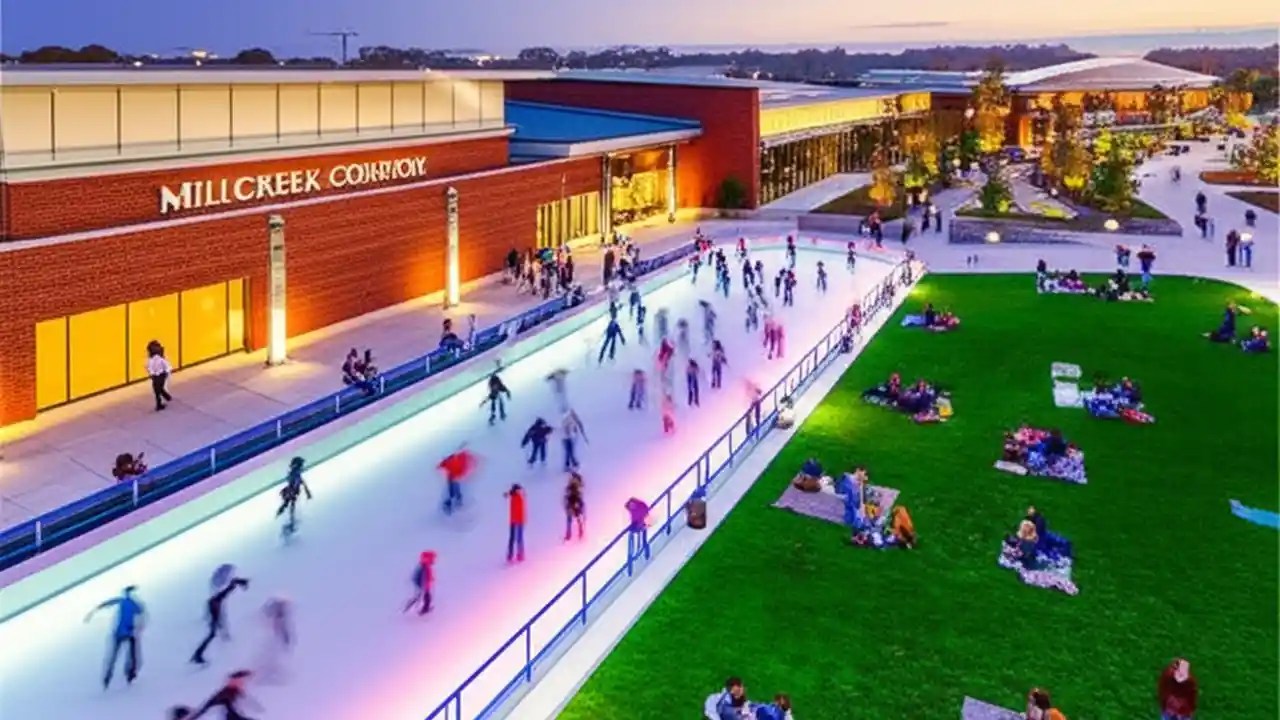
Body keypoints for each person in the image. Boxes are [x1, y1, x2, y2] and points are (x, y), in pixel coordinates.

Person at [85, 585, 146, 688]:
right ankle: (130, 673)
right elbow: (140, 610)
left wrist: (95, 610)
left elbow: (109, 603)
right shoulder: (133, 604)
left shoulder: (123, 601)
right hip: (127, 632)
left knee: (115, 655)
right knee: (132, 654)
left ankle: (109, 676)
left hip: (120, 632)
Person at [191, 574, 251, 665]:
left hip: (215, 605)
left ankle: (198, 654)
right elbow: (217, 606)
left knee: (213, 633)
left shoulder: (229, 586)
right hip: (215, 605)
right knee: (213, 633)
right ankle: (197, 655)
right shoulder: (229, 586)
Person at [188, 670, 262, 720]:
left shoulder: (233, 694)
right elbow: (231, 715)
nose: (244, 684)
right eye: (242, 681)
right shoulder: (227, 695)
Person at [276, 457, 312, 539]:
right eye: (301, 465)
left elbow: (300, 481)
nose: (302, 467)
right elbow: (296, 482)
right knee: (288, 506)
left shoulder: (295, 473)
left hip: (292, 492)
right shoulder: (294, 473)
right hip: (291, 492)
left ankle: (290, 523)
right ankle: (289, 524)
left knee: (289, 506)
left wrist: (307, 491)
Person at [438, 447, 475, 514]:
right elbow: (441, 465)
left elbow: (441, 465)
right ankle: (454, 503)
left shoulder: (451, 461)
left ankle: (455, 503)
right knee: (453, 492)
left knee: (453, 492)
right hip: (453, 479)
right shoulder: (452, 460)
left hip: (453, 478)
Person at [403, 551, 436, 615]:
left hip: (425, 586)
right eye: (432, 558)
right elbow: (422, 577)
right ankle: (408, 608)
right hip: (423, 586)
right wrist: (423, 585)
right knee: (419, 597)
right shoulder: (424, 567)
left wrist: (431, 579)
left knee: (426, 598)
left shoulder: (425, 566)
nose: (433, 560)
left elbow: (428, 575)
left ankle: (425, 609)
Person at [146, 340, 174, 411]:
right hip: (160, 375)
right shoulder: (158, 359)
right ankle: (165, 398)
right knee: (158, 389)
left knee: (157, 389)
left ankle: (161, 402)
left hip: (158, 376)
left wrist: (151, 374)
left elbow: (150, 368)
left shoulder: (153, 360)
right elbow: (167, 367)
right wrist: (167, 373)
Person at [505, 484, 526, 563]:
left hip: (519, 520)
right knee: (512, 538)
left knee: (519, 538)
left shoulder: (520, 497)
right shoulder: (514, 496)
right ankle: (511, 555)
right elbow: (508, 494)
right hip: (514, 520)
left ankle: (520, 554)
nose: (519, 491)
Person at [625, 496, 651, 561]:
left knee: (644, 540)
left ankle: (647, 554)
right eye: (630, 506)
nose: (631, 506)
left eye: (632, 505)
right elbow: (633, 518)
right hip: (637, 524)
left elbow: (645, 511)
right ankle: (632, 554)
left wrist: (642, 522)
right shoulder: (632, 510)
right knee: (631, 534)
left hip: (642, 523)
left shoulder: (640, 506)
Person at [564, 472, 586, 541]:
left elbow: (578, 499)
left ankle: (576, 533)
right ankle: (575, 533)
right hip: (573, 505)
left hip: (574, 505)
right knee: (573, 520)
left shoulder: (573, 488)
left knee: (573, 520)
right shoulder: (573, 488)